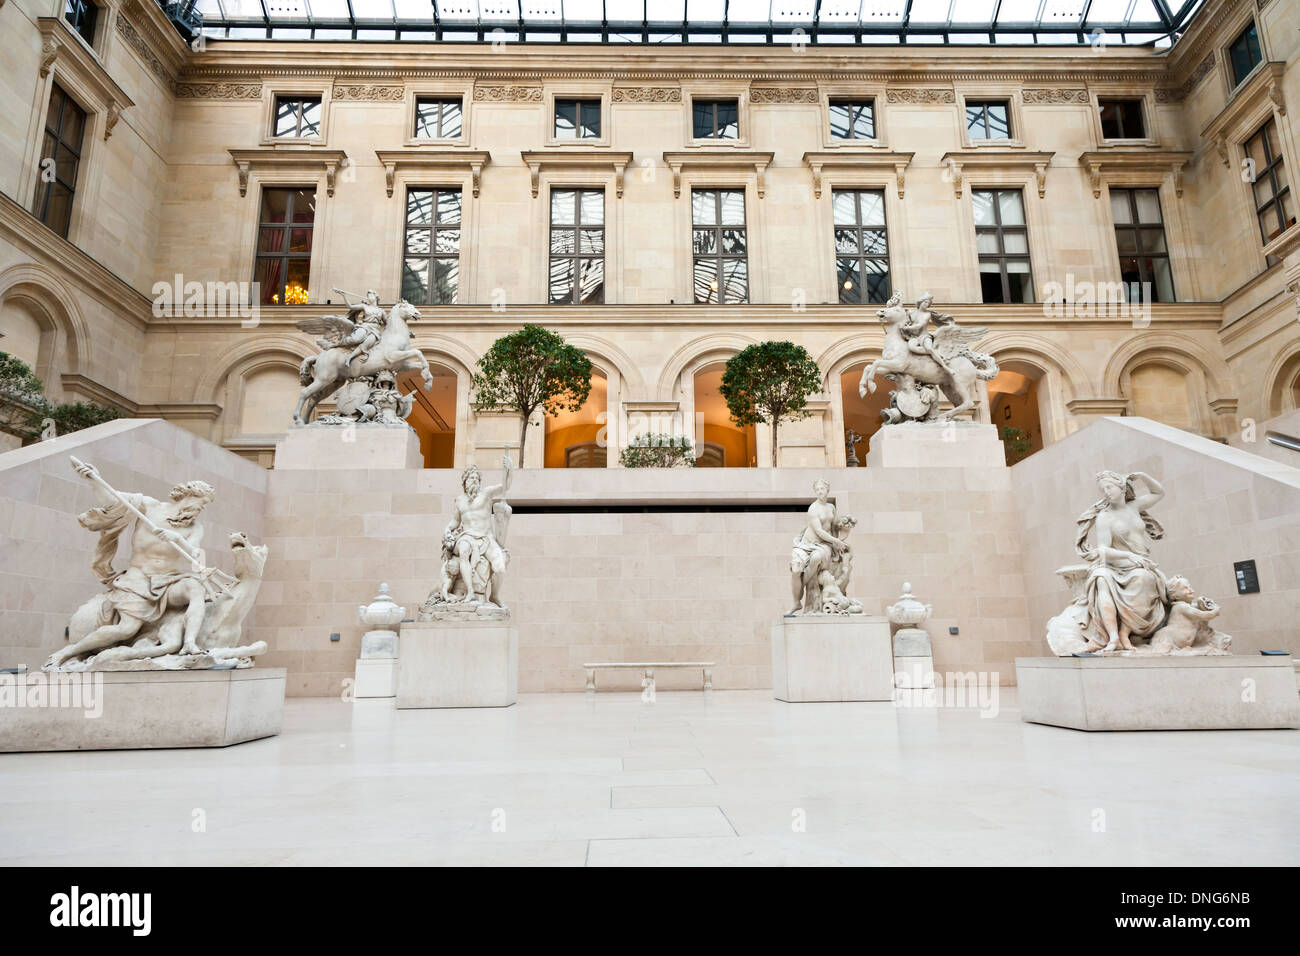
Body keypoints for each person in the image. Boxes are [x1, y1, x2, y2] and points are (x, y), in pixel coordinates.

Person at [47, 463, 217, 667]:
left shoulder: (195, 527)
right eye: (202, 503)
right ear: (189, 496)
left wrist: (176, 538)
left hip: (169, 581)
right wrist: (94, 480)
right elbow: (113, 500)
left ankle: (189, 644)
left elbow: (196, 553)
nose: (201, 509)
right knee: (126, 629)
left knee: (195, 587)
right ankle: (69, 652)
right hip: (139, 580)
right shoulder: (149, 507)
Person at [1074, 470, 1168, 653]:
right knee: (1101, 579)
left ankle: (1125, 632)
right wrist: (1128, 556)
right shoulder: (1105, 517)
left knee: (1143, 578)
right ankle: (1112, 636)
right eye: (1103, 490)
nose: (1106, 492)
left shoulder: (1135, 506)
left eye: (1109, 487)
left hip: (1141, 565)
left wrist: (1142, 476)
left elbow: (1159, 493)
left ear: (1122, 486)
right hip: (1117, 565)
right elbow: (1103, 550)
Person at [443, 456, 514, 607]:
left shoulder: (486, 494)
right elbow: (456, 521)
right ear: (465, 482)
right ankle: (470, 592)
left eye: (476, 478)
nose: (474, 480)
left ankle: (494, 596)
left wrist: (510, 468)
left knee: (500, 565)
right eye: (471, 478)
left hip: (486, 538)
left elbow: (505, 487)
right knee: (464, 550)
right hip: (467, 536)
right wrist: (447, 529)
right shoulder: (459, 500)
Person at [789, 478, 848, 615]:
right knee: (796, 569)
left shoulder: (831, 508)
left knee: (816, 558)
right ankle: (796, 602)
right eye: (817, 490)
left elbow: (834, 527)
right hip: (806, 544)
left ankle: (803, 590)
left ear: (827, 490)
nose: (820, 492)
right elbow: (819, 531)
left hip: (823, 545)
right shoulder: (813, 509)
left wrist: (837, 543)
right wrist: (836, 541)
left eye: (822, 489)